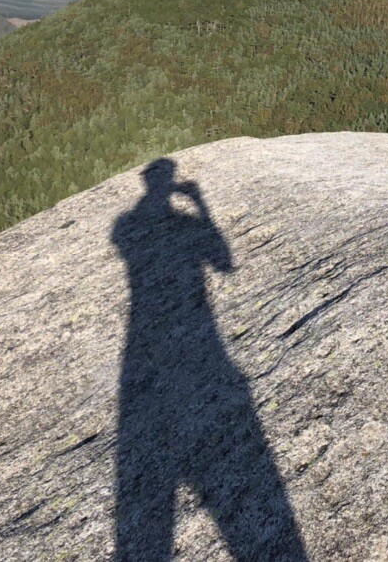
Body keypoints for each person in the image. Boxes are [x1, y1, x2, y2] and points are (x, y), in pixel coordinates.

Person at [112, 159, 306, 561]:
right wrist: (200, 205)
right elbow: (224, 262)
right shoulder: (183, 223)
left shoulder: (125, 225)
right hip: (201, 332)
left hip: (144, 335)